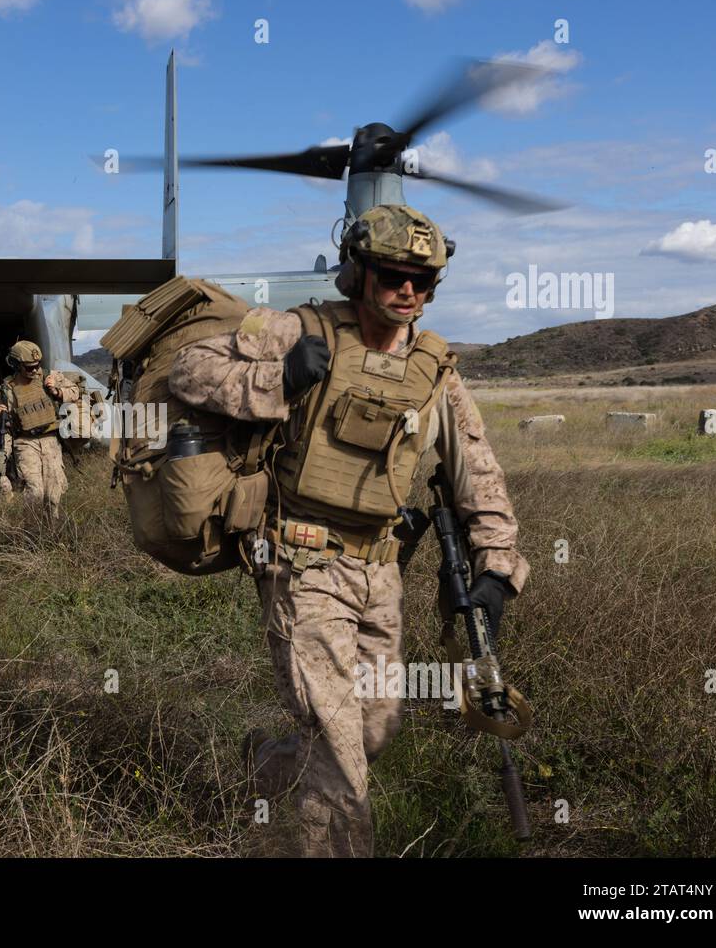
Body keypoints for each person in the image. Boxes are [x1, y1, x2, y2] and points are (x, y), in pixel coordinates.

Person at [169, 204, 529, 857]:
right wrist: (275, 378)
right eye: (394, 274)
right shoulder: (295, 329)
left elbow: (476, 467)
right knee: (341, 753)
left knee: (372, 729)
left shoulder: (434, 368)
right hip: (300, 564)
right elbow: (188, 370)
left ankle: (267, 763)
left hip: (382, 571)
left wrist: (497, 571)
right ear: (359, 271)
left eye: (424, 281)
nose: (409, 291)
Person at [0, 341, 79, 518]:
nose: (35, 370)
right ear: (16, 365)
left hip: (51, 441)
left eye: (37, 366)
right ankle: (31, 529)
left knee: (54, 494)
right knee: (35, 492)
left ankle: (52, 532)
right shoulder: (6, 390)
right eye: (29, 368)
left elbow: (75, 392)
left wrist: (57, 392)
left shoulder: (49, 377)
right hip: (25, 443)